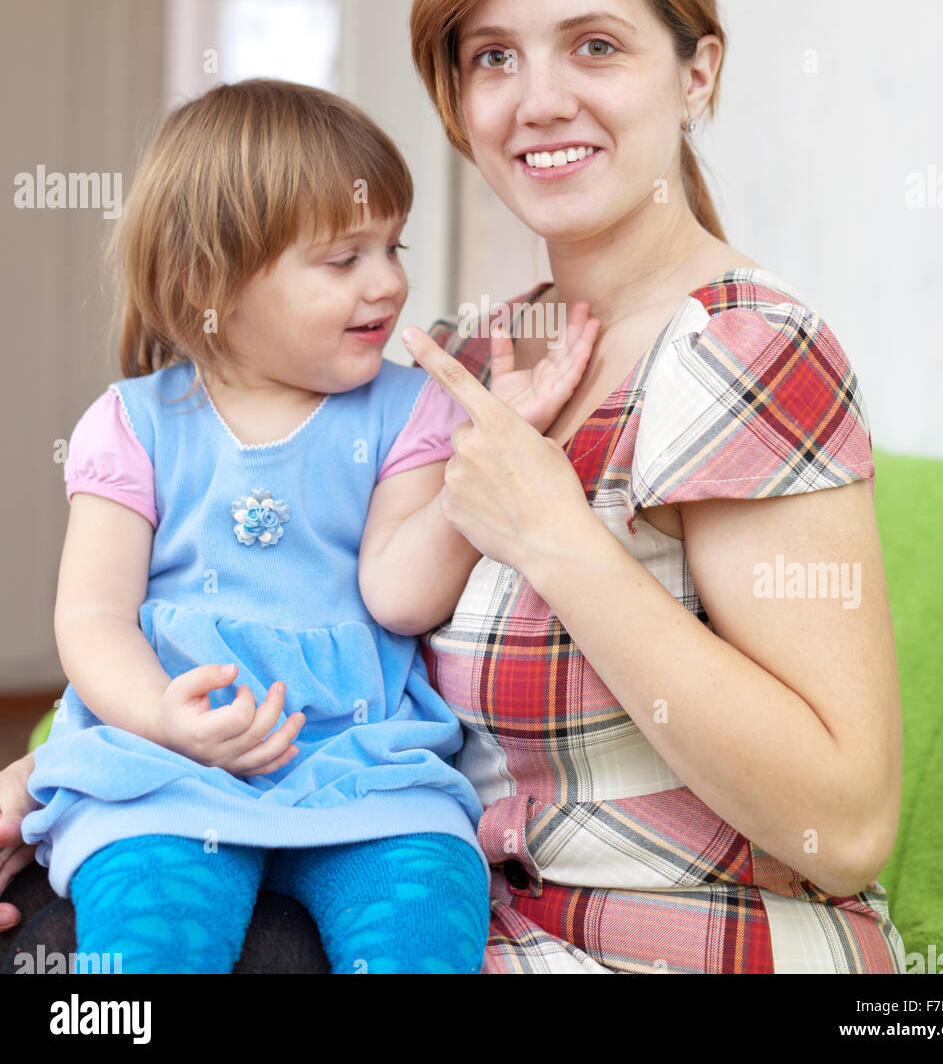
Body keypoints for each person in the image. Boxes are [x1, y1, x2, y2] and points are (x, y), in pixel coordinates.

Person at [2, 0, 905, 973]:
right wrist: (41, 784)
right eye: (493, 57)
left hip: (667, 944)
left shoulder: (750, 350)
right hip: (465, 904)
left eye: (596, 46)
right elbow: (266, 608)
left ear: (696, 71)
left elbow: (847, 829)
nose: (537, 101)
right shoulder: (453, 357)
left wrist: (551, 533)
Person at [3, 77, 598, 975]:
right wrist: (160, 717)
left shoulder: (410, 411)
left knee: (429, 909)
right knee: (148, 939)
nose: (389, 282)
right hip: (169, 773)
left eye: (392, 247)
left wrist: (491, 462)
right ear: (213, 282)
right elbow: (91, 618)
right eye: (343, 259)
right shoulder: (134, 423)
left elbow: (398, 595)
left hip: (366, 768)